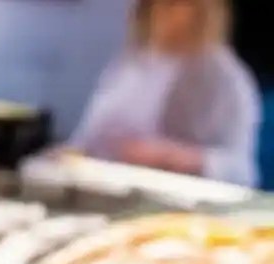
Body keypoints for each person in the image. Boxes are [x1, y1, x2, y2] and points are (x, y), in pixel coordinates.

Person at [68, 0, 262, 187]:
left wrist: (176, 157)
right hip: (104, 187)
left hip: (179, 203)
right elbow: (87, 138)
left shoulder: (222, 76)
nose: (162, 11)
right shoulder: (132, 63)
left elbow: (241, 172)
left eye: (174, 3)